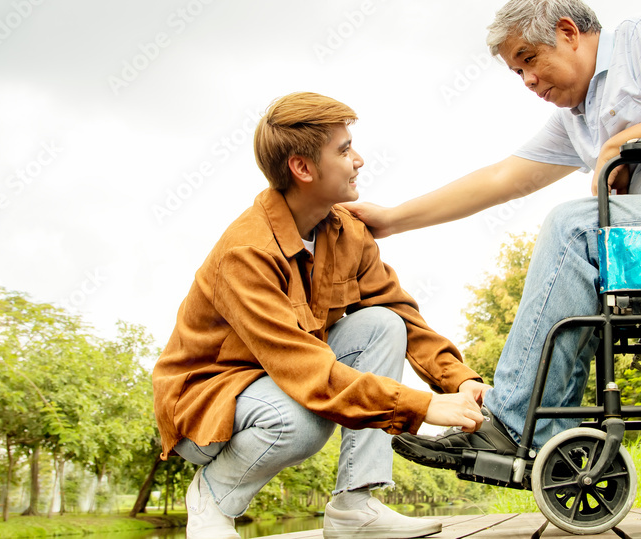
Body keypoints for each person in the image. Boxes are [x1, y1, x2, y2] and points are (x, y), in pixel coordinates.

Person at [344, 0, 641, 469]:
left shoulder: (640, 38)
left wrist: (622, 143)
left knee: (575, 227)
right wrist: (393, 220)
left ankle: (515, 426)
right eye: (517, 71)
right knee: (585, 241)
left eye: (529, 60)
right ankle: (548, 439)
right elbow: (501, 179)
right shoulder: (576, 115)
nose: (526, 80)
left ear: (568, 33)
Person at [152, 91, 489, 539]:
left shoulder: (348, 231)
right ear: (303, 168)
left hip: (281, 382)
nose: (359, 160)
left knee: (382, 324)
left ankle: (356, 504)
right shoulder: (247, 252)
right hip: (209, 403)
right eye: (345, 150)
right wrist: (423, 406)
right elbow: (308, 373)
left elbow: (400, 314)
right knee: (303, 420)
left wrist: (457, 380)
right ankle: (212, 497)